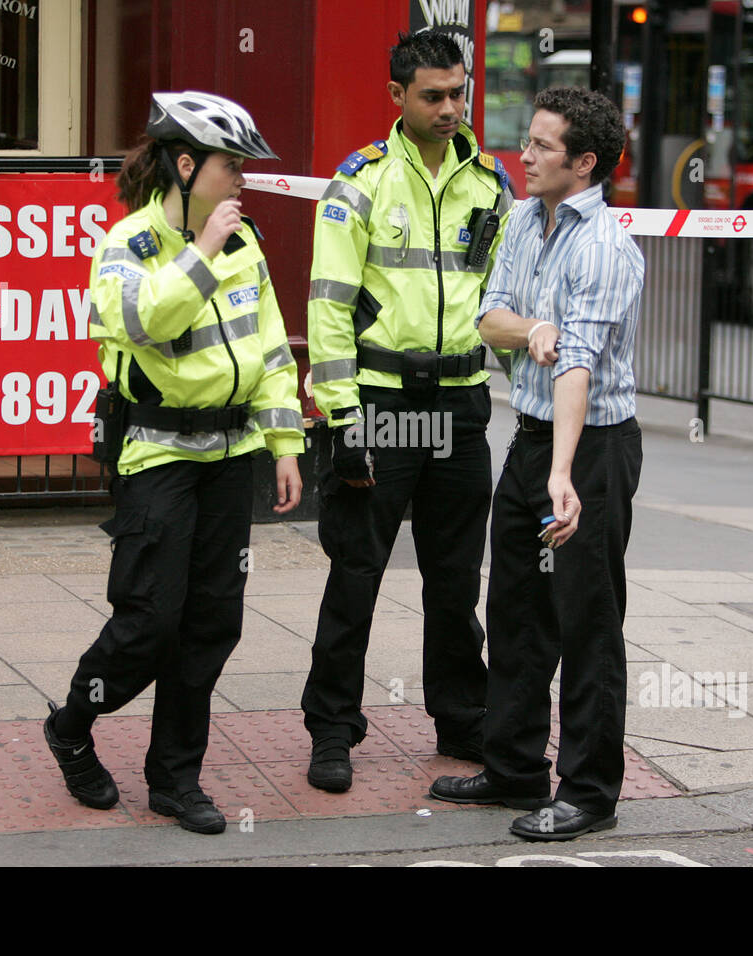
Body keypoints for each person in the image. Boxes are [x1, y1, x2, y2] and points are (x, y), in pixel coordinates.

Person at [43, 92, 305, 834]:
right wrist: (201, 255)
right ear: (185, 166)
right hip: (157, 453)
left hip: (231, 454)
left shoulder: (244, 242)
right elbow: (141, 320)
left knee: (212, 623)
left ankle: (175, 779)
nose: (242, 179)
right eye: (231, 165)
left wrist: (285, 443)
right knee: (150, 623)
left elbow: (269, 348)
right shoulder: (128, 244)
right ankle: (71, 725)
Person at [302, 30, 514, 792]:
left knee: (455, 581)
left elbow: (503, 300)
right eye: (433, 95)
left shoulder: (491, 184)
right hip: (382, 403)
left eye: (459, 93)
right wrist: (340, 417)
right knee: (356, 575)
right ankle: (332, 729)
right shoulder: (359, 182)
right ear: (397, 96)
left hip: (461, 403)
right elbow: (328, 308)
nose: (451, 108)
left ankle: (462, 719)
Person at [429, 87, 643, 841]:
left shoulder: (605, 247)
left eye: (543, 146)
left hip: (590, 452)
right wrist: (533, 328)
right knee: (516, 611)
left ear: (584, 163)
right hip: (529, 438)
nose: (524, 155)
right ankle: (514, 765)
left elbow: (576, 364)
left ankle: (589, 793)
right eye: (529, 140)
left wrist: (562, 473)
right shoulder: (523, 219)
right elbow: (488, 318)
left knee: (587, 621)